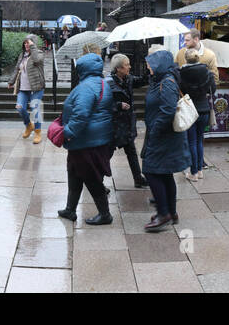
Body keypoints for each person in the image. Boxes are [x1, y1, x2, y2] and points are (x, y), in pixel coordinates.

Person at [56, 53, 116, 225]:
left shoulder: (86, 87)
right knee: (74, 173)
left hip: (85, 142)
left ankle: (105, 214)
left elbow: (81, 115)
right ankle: (70, 209)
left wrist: (66, 132)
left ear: (83, 69)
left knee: (91, 177)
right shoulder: (101, 83)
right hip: (93, 139)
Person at [142, 50, 188, 232]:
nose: (148, 67)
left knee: (151, 171)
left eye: (150, 64)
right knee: (165, 172)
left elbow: (168, 110)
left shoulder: (167, 82)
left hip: (163, 135)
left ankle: (163, 214)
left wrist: (155, 129)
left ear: (159, 64)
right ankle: (171, 212)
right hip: (163, 135)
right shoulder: (160, 80)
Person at [108, 53, 149, 188]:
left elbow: (143, 80)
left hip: (127, 123)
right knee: (107, 154)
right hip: (114, 125)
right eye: (127, 65)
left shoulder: (129, 79)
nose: (130, 67)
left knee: (131, 151)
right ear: (119, 68)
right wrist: (118, 105)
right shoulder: (108, 82)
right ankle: (98, 180)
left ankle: (138, 179)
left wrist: (148, 65)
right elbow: (103, 104)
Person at [179, 48, 216, 181]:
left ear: (186, 59)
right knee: (199, 141)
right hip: (204, 109)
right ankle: (200, 170)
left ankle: (193, 173)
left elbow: (180, 90)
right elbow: (213, 89)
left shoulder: (181, 73)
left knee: (192, 142)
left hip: (189, 110)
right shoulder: (207, 72)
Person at [7, 34, 46, 145]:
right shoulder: (22, 55)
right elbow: (16, 69)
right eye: (25, 43)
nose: (26, 44)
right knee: (20, 108)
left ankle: (37, 132)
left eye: (28, 42)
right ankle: (29, 125)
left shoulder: (39, 53)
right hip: (23, 88)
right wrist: (11, 81)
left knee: (35, 109)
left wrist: (33, 47)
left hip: (36, 87)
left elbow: (36, 60)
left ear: (33, 43)